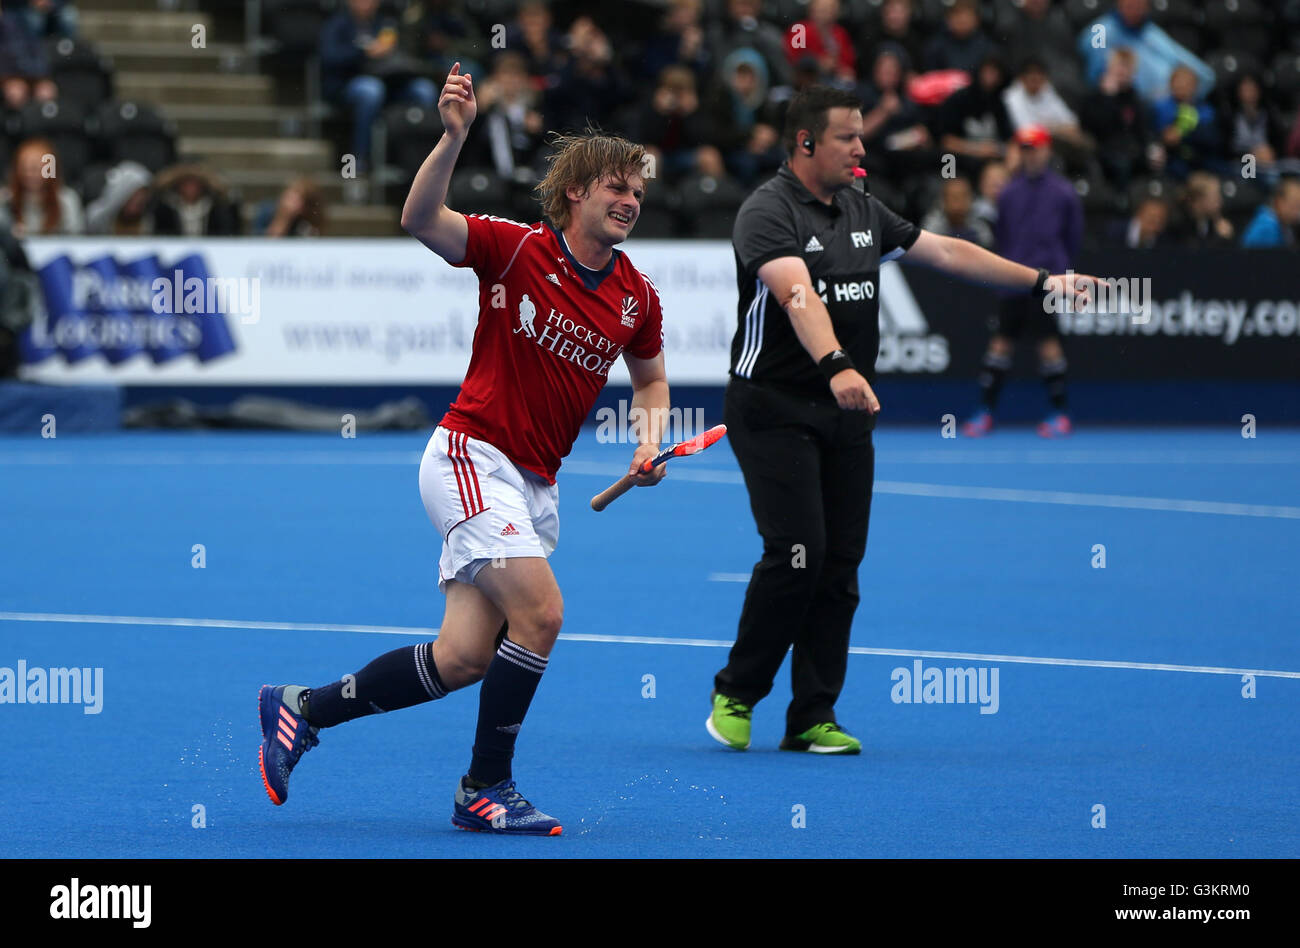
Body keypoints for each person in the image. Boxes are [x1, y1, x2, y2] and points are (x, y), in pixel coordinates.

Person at [258, 64, 670, 836]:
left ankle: (300, 708)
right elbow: (421, 218)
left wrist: (649, 444)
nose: (630, 201)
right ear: (575, 192)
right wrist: (451, 137)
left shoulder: (636, 296)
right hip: (471, 457)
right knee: (542, 614)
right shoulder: (513, 249)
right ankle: (486, 786)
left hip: (533, 486)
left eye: (639, 192)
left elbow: (651, 384)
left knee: (464, 658)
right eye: (617, 186)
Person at [708, 86, 1093, 754]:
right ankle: (737, 692)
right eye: (848, 138)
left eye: (862, 135)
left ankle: (812, 717)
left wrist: (1039, 281)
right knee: (798, 552)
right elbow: (797, 294)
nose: (862, 148)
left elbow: (945, 251)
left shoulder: (862, 208)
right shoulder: (765, 211)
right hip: (773, 408)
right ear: (806, 144)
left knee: (841, 565)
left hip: (849, 411)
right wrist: (836, 363)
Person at [962, 124, 1083, 439]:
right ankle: (985, 413)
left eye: (1035, 148)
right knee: (1000, 344)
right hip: (1013, 280)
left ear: (1047, 151)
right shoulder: (1009, 193)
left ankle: (1060, 414)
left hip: (1048, 281)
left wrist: (1057, 272)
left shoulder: (1064, 192)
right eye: (1024, 149)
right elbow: (1003, 236)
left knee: (1048, 345)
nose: (1029, 155)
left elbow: (1073, 237)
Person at [320, 0, 438, 172]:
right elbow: (330, 57)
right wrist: (363, 52)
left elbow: (409, 53)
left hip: (390, 81)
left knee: (424, 90)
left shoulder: (386, 23)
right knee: (371, 91)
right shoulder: (337, 24)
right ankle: (361, 158)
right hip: (348, 83)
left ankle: (421, 158)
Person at [0, 138, 84, 236]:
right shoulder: (5, 200)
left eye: (37, 169)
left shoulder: (67, 200)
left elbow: (77, 240)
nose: (31, 174)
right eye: (25, 168)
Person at [1172, 172, 1232, 247]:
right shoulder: (1179, 226)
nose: (1220, 201)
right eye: (1215, 197)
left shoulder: (1215, 222)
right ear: (1199, 200)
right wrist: (1219, 239)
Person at [1240, 177, 1300, 248]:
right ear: (1279, 201)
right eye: (1295, 205)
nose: (1298, 211)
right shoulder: (1266, 229)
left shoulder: (1287, 226)